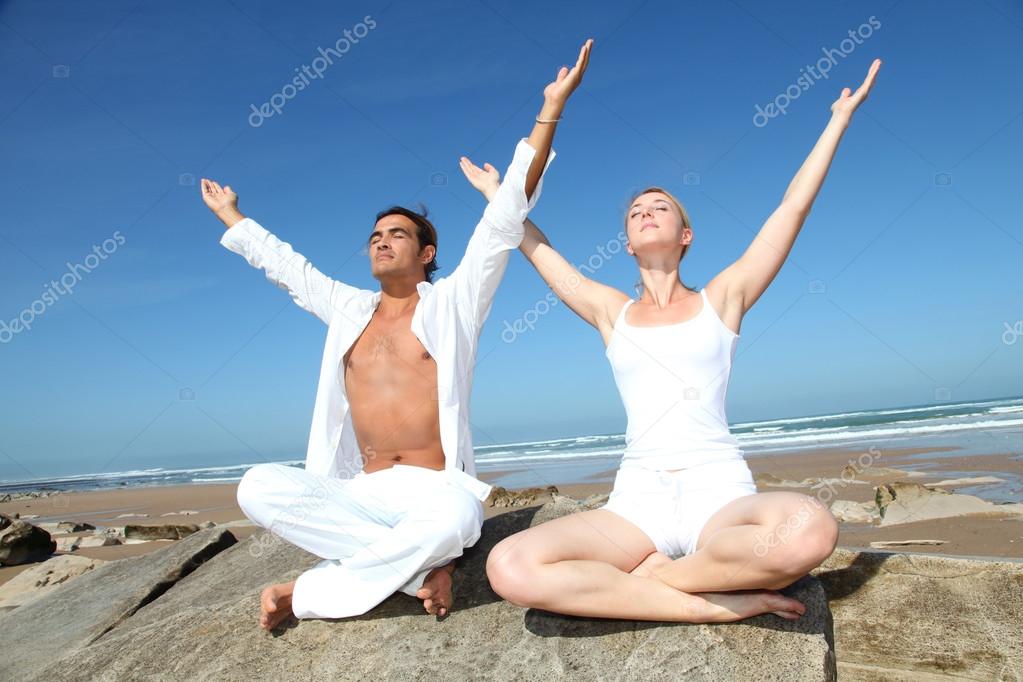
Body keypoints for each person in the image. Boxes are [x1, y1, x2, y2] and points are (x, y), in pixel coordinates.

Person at [458, 58, 881, 622]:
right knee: (509, 566)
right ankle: (710, 606)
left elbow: (791, 209)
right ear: (628, 244)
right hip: (637, 504)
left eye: (660, 207)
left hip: (720, 495)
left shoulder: (723, 298)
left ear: (685, 236)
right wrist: (499, 196)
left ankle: (664, 579)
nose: (645, 212)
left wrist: (837, 121)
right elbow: (535, 247)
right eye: (636, 211)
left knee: (811, 530)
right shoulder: (612, 311)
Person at [199, 39, 593, 630]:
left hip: (434, 489)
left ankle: (305, 593)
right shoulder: (345, 307)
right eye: (376, 234)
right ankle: (415, 574)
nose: (381, 240)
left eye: (397, 234)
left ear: (427, 252)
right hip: (362, 490)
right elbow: (287, 267)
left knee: (459, 521)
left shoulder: (454, 302)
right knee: (257, 486)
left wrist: (550, 109)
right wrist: (234, 216)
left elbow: (506, 210)